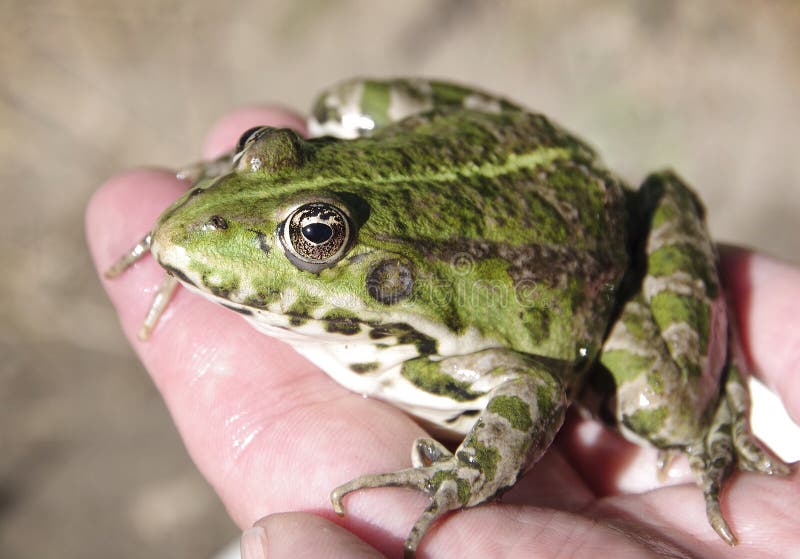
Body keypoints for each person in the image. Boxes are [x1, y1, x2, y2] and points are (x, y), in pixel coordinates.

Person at [86, 106, 799, 559]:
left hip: (592, 259)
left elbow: (533, 378)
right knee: (347, 103)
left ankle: (723, 399)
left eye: (315, 234)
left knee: (668, 409)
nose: (202, 222)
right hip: (495, 154)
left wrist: (472, 467)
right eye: (255, 152)